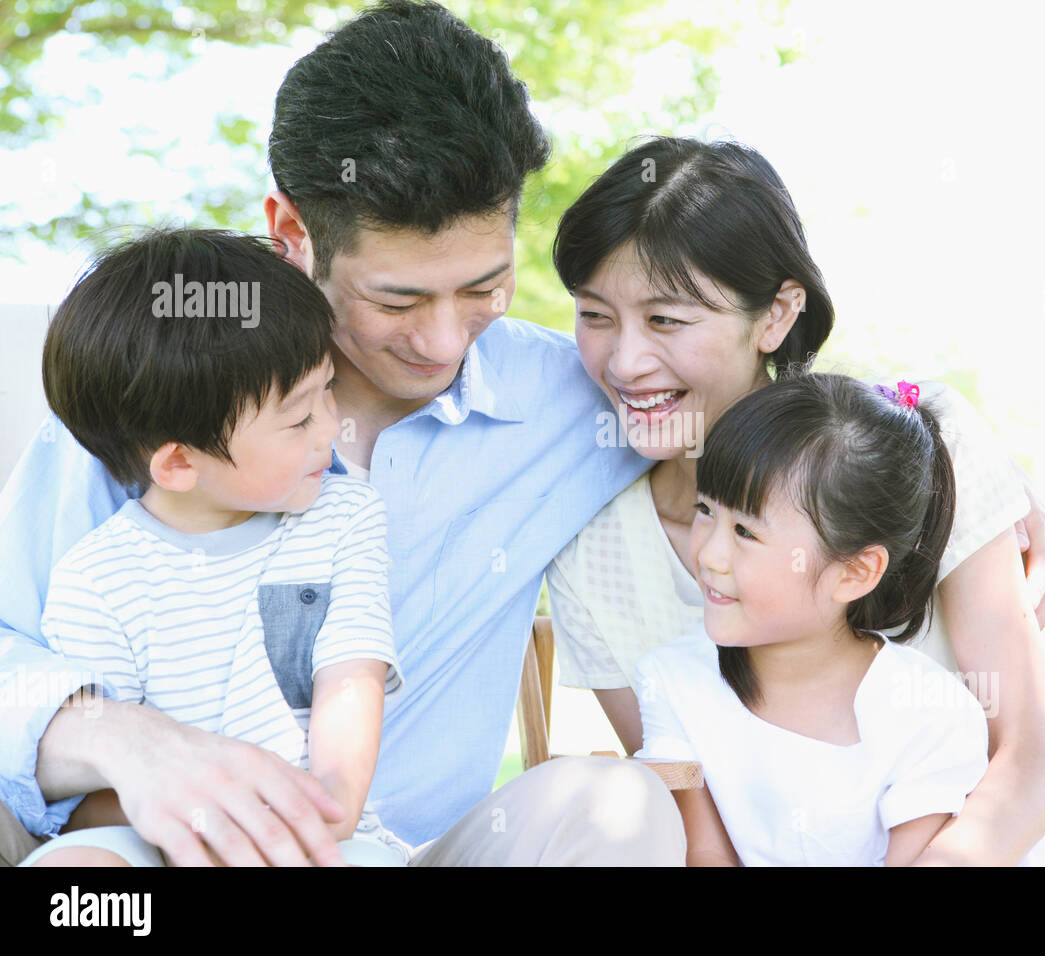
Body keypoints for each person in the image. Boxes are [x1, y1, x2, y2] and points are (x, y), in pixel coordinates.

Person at [0, 0, 683, 867]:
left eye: (484, 285)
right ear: (292, 232)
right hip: (153, 846)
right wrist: (126, 740)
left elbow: (762, 419)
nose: (442, 341)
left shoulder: (583, 398)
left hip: (407, 851)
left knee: (620, 804)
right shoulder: (156, 384)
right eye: (397, 299)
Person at [546, 136, 1045, 865]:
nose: (623, 362)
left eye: (667, 320)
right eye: (594, 315)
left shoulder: (929, 447)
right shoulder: (595, 557)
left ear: (776, 315)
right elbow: (683, 817)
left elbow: (1029, 757)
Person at [20, 229, 409, 867]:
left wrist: (311, 812)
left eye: (327, 390)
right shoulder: (95, 578)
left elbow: (351, 680)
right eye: (297, 418)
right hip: (153, 839)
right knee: (70, 870)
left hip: (314, 827)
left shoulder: (344, 518)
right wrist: (207, 824)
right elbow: (95, 794)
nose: (330, 427)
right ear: (177, 464)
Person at [636, 372, 992, 866]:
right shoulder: (672, 680)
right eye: (704, 509)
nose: (709, 554)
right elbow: (706, 854)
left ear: (854, 572)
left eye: (744, 530)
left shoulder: (929, 713)